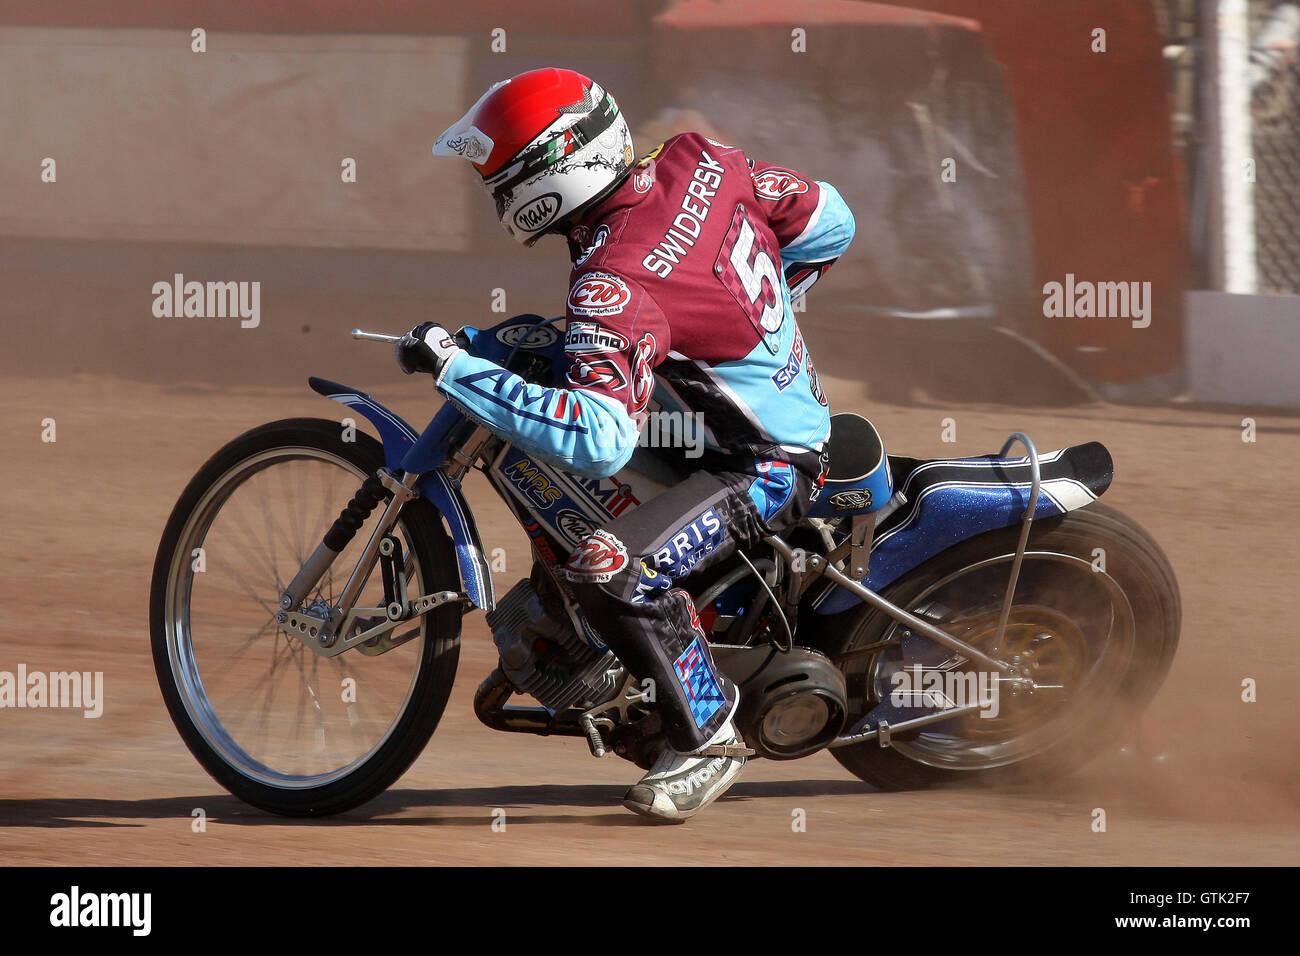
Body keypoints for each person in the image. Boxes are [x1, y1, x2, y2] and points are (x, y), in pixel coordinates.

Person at [397, 68, 854, 821]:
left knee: (608, 565)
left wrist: (455, 371)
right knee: (536, 347)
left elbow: (600, 441)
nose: (493, 192)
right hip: (734, 417)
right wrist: (750, 320)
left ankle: (705, 735)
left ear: (550, 175)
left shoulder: (615, 279)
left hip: (765, 465)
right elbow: (833, 220)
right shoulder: (704, 158)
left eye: (500, 175)